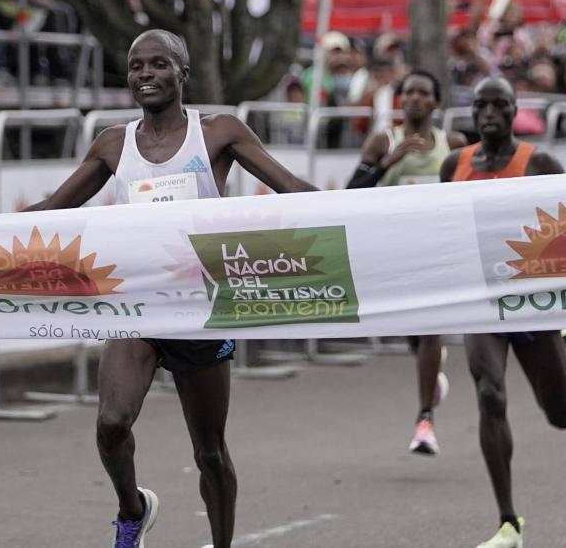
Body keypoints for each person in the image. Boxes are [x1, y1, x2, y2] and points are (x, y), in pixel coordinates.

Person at [24, 29, 318, 548]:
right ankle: (133, 509)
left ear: (182, 73)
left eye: (158, 64)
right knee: (112, 424)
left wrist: (371, 213)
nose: (145, 75)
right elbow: (52, 211)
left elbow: (291, 188)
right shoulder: (114, 144)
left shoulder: (220, 133)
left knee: (208, 452)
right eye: (136, 66)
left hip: (200, 312)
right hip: (137, 310)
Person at [439, 77, 566, 548]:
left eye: (500, 105)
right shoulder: (453, 165)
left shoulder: (539, 163)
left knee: (561, 414)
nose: (489, 113)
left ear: (515, 110)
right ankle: (508, 522)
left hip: (531, 301)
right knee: (488, 393)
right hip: (481, 301)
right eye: (481, 105)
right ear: (472, 112)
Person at [345, 70, 467, 455]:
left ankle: (424, 420)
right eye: (408, 92)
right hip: (396, 252)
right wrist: (387, 164)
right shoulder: (384, 140)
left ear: (435, 102)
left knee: (430, 330)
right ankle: (431, 378)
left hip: (439, 251)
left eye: (423, 92)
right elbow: (350, 193)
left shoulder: (454, 143)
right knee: (414, 332)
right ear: (400, 101)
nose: (414, 98)